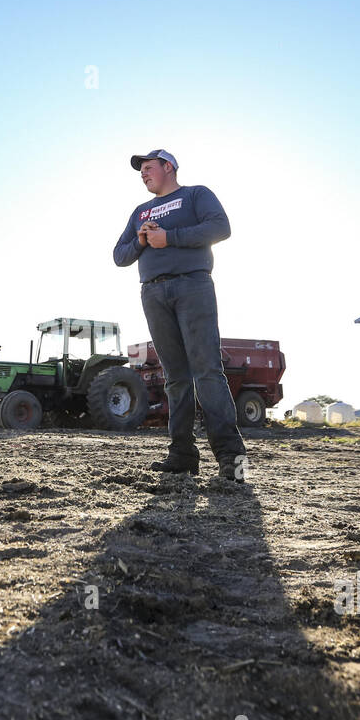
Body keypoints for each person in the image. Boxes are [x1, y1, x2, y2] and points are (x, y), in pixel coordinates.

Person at [113, 149, 247, 479]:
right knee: (175, 377)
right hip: (153, 292)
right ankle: (182, 453)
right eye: (140, 171)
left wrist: (168, 237)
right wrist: (143, 240)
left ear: (168, 167)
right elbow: (119, 256)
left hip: (193, 286)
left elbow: (221, 227)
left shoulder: (195, 195)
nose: (143, 174)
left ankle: (233, 459)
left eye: (147, 168)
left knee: (207, 371)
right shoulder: (139, 211)